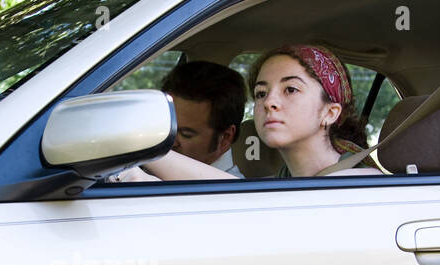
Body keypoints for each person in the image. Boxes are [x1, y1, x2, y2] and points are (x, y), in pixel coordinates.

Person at [111, 43, 372, 182]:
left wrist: (137, 153)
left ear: (330, 112)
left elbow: (248, 200)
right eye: (261, 93)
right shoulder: (288, 178)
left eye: (290, 89)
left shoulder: (361, 181)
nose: (270, 102)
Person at [161, 61, 246, 178]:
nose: (171, 141)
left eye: (186, 134)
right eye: (165, 126)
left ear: (225, 137)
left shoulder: (230, 193)